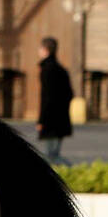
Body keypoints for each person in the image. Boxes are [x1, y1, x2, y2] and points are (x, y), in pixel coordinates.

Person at [37, 37, 74, 165]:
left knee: (51, 156)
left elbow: (46, 97)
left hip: (51, 120)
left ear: (46, 50)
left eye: (40, 49)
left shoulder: (47, 69)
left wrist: (42, 120)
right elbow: (69, 94)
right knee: (53, 155)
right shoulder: (61, 69)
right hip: (61, 119)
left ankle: (72, 171)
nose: (39, 51)